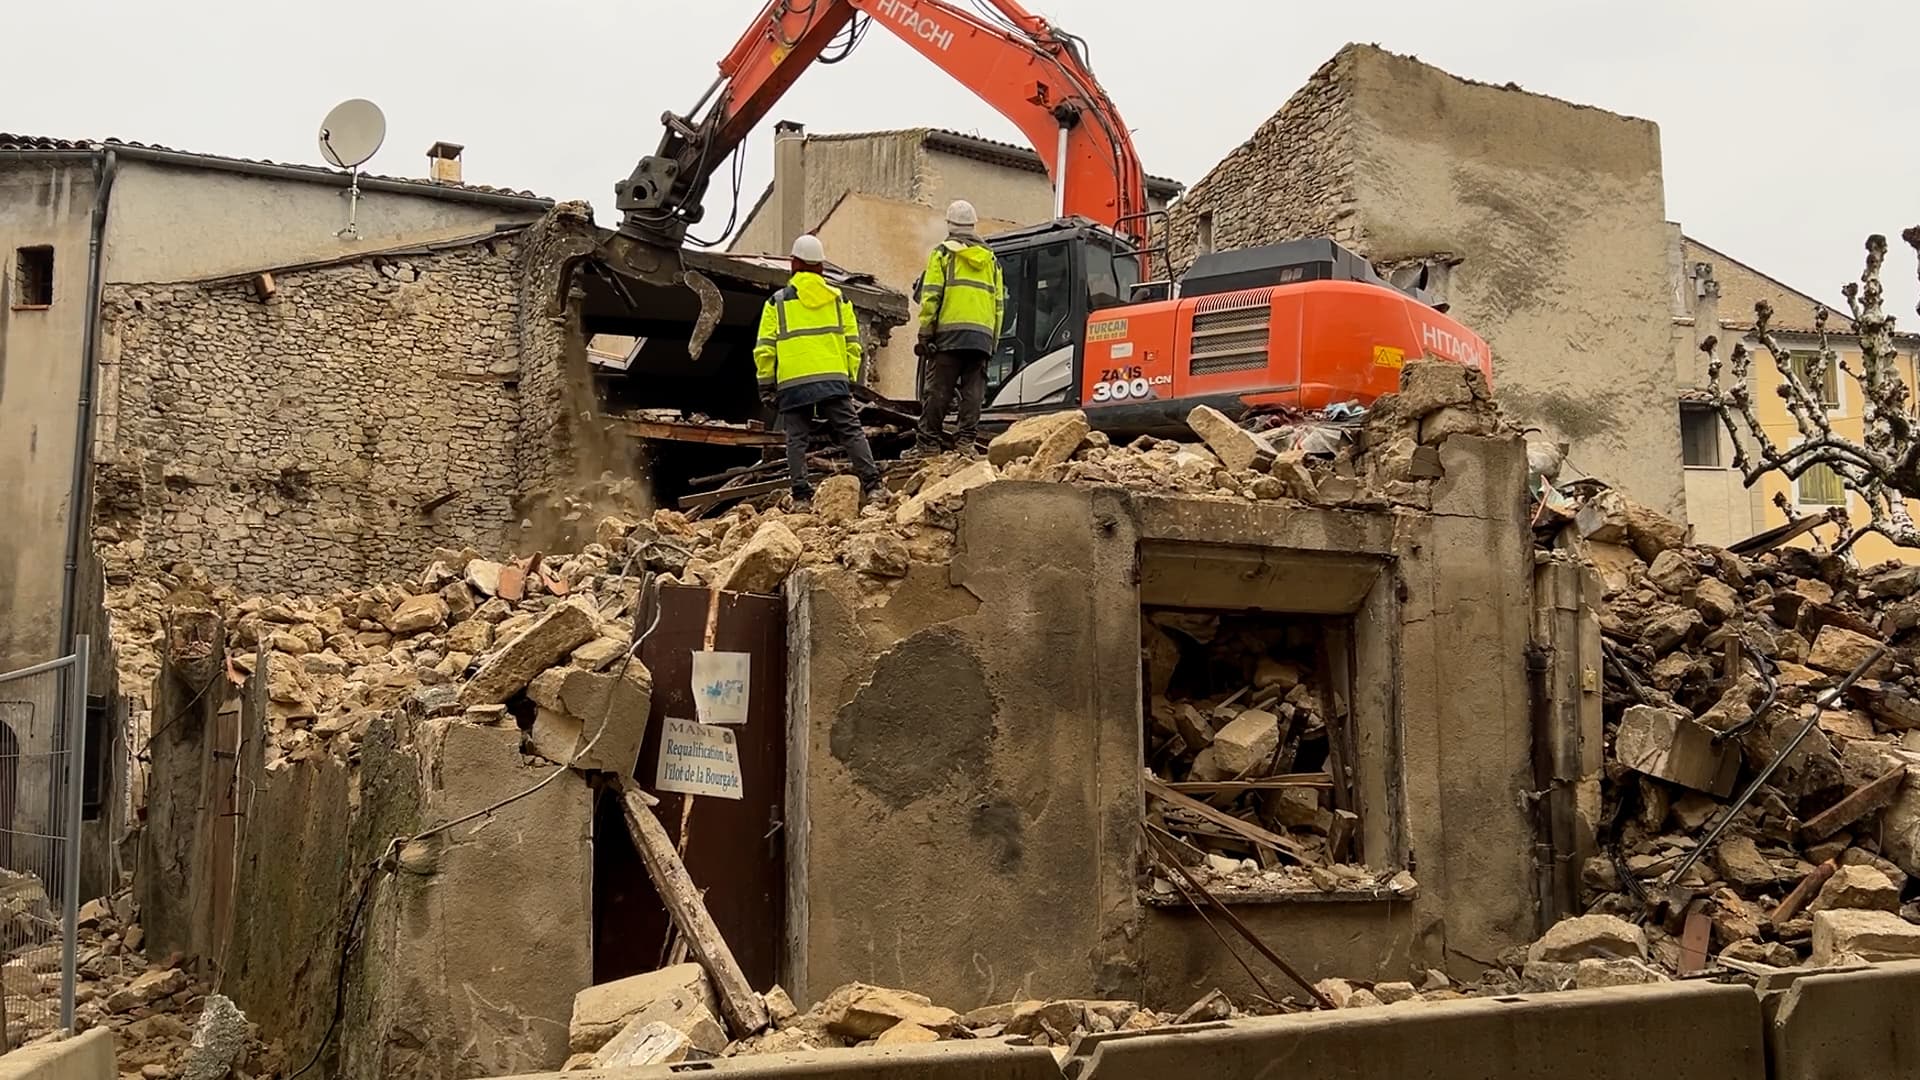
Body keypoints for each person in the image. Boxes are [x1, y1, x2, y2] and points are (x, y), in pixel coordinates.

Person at [754, 234, 882, 503]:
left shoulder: (777, 303)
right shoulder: (839, 300)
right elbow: (853, 345)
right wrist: (848, 378)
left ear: (794, 264)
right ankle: (874, 487)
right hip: (832, 379)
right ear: (821, 267)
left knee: (796, 439)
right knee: (851, 432)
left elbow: (765, 349)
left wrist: (766, 385)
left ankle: (801, 497)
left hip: (793, 384)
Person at [911, 200, 1006, 456]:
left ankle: (928, 444)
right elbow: (999, 304)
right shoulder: (991, 261)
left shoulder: (943, 253)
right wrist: (993, 341)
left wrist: (926, 330)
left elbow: (931, 295)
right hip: (981, 337)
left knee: (939, 389)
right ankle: (966, 443)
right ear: (973, 225)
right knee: (973, 391)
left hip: (949, 334)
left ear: (950, 225)